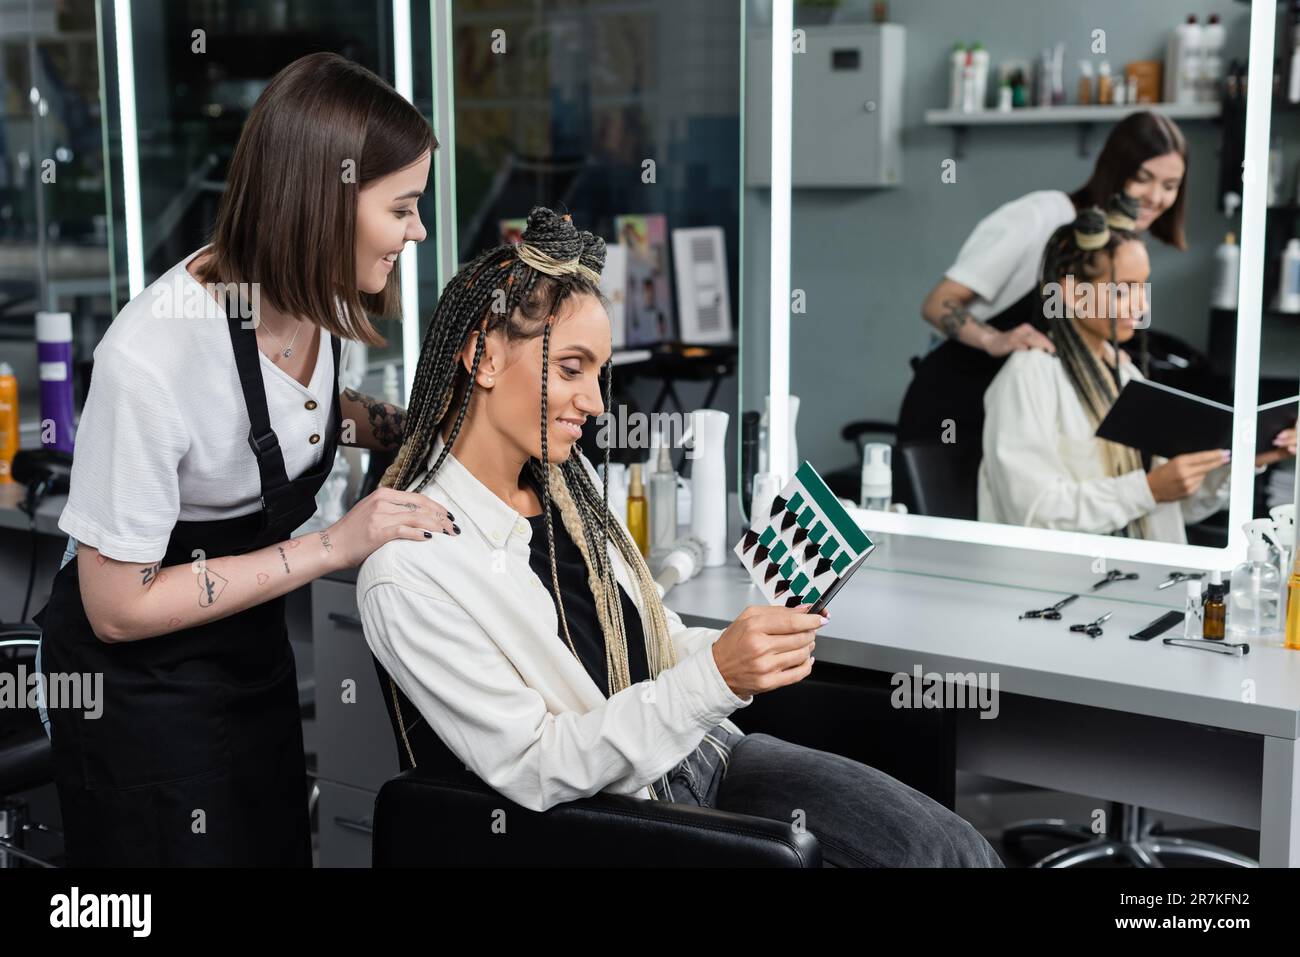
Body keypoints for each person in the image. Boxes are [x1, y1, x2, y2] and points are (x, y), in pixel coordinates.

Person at [357, 206, 1002, 867]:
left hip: (702, 754)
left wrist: (739, 654)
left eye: (599, 374)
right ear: (483, 357)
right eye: (572, 368)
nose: (597, 403)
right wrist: (716, 676)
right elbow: (538, 765)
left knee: (958, 851)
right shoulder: (411, 571)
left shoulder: (570, 489)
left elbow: (652, 641)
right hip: (626, 820)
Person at [33, 53, 457, 866]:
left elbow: (283, 412)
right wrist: (335, 545)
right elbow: (116, 605)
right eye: (402, 208)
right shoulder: (151, 357)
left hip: (250, 658)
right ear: (325, 202)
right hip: (140, 695)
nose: (419, 232)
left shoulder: (312, 296)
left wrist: (410, 429)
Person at [897, 112, 1191, 501]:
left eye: (1170, 186)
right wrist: (994, 340)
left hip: (1020, 413)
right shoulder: (1041, 216)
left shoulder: (1120, 243)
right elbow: (938, 303)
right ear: (1113, 169)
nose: (1155, 197)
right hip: (955, 407)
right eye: (1143, 178)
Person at [979, 203, 1296, 540]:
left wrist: (1246, 461)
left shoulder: (1126, 374)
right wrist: (1148, 489)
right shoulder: (1029, 376)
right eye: (1123, 290)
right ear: (1071, 292)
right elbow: (1030, 512)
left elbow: (1177, 507)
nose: (1142, 305)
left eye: (1142, 287)